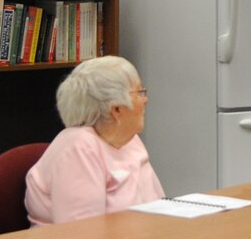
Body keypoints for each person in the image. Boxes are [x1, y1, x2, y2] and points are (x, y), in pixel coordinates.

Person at [24, 55, 163, 226]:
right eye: (139, 92)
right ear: (116, 109)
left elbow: (159, 207)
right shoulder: (79, 149)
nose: (146, 100)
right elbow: (83, 233)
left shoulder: (130, 139)